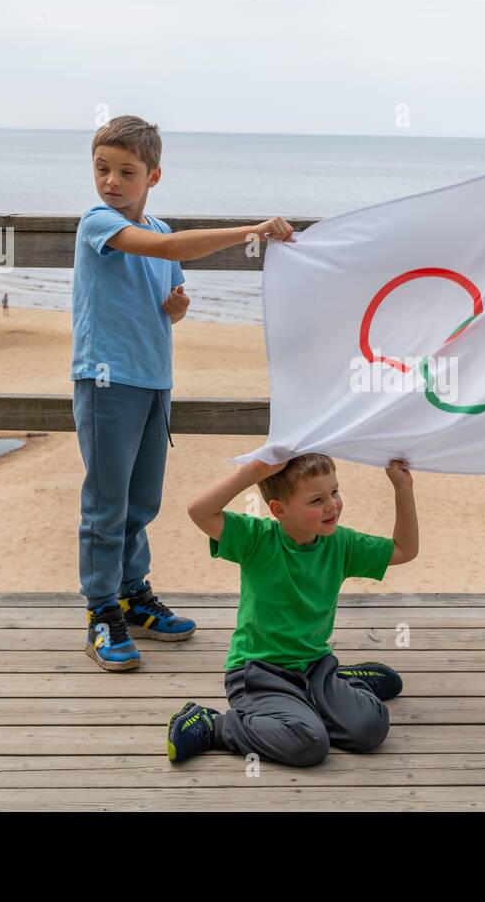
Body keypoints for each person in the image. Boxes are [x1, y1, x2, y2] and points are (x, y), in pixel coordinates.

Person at [73, 114, 295, 671]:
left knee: (141, 500)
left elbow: (166, 288)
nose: (112, 181)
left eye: (127, 171)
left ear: (154, 175)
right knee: (106, 503)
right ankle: (102, 610)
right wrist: (251, 232)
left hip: (153, 381)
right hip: (106, 380)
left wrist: (175, 310)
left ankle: (133, 594)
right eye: (103, 169)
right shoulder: (97, 222)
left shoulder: (163, 230)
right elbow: (165, 253)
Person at [166, 453, 419, 766]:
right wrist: (254, 471)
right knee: (309, 744)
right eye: (317, 500)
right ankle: (214, 726)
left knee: (370, 730)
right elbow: (199, 511)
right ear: (279, 509)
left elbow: (404, 550)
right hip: (259, 672)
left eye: (335, 492)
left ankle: (341, 683)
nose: (332, 506)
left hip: (315, 667)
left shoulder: (341, 544)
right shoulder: (256, 540)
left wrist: (402, 488)